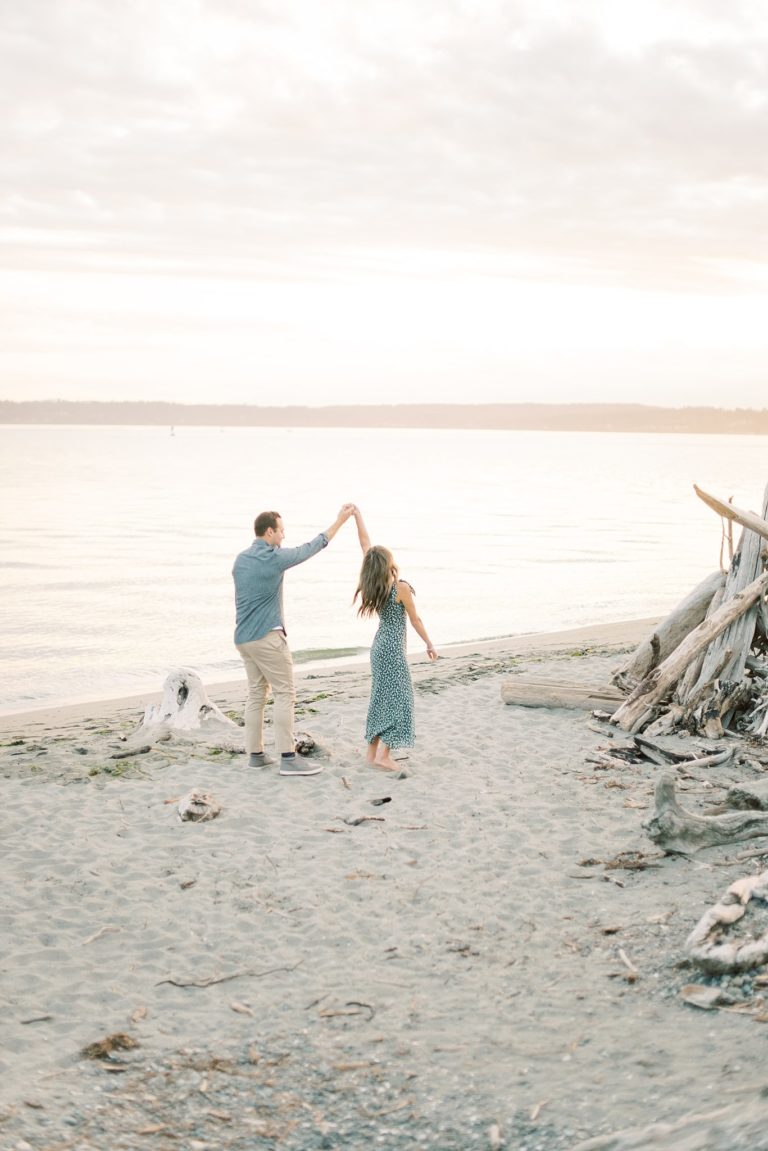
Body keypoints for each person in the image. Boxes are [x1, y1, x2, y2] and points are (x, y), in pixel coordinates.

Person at [233, 504, 355, 777]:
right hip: (267, 637)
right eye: (281, 531)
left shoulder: (240, 560)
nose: (283, 536)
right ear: (269, 532)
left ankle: (255, 755)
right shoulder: (274, 558)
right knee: (285, 693)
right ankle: (288, 758)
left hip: (243, 639)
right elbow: (312, 547)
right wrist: (340, 521)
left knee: (256, 694)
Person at [352, 507, 438, 772]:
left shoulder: (374, 585)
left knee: (380, 699)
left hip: (378, 648)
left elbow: (365, 545)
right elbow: (415, 620)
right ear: (389, 563)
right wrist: (429, 643)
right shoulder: (400, 588)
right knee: (400, 700)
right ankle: (384, 756)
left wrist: (357, 516)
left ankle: (371, 755)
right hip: (392, 650)